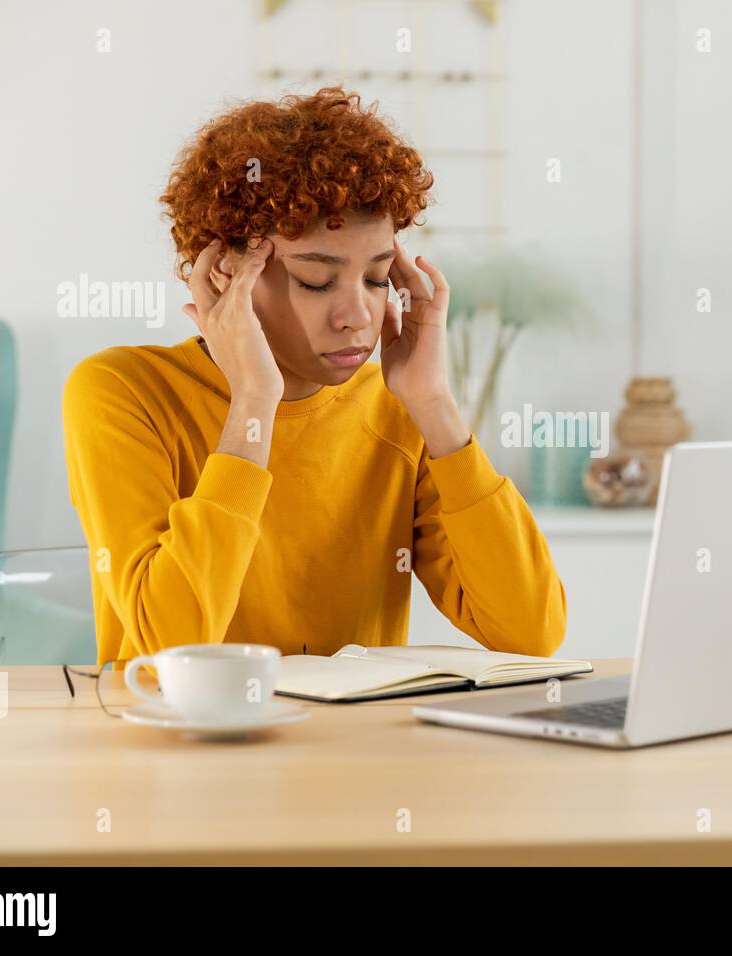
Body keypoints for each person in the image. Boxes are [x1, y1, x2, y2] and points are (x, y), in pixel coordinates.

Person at [62, 86, 567, 665]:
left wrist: (435, 405)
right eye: (317, 281)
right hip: (181, 726)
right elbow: (172, 644)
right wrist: (254, 403)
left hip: (358, 728)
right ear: (226, 271)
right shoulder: (121, 392)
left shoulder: (398, 408)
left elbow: (531, 631)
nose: (358, 315)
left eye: (376, 279)